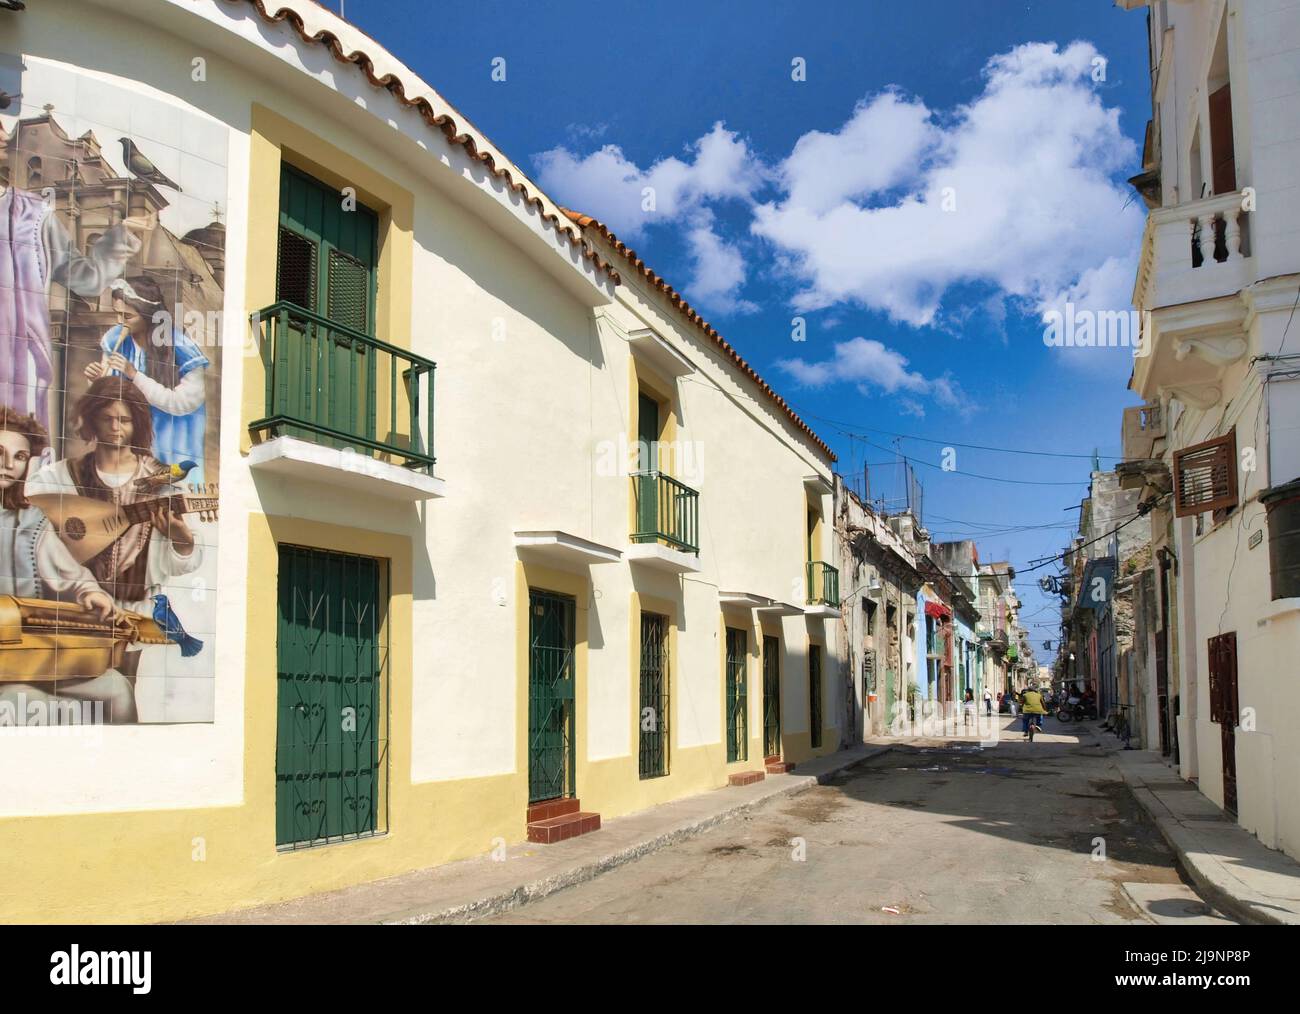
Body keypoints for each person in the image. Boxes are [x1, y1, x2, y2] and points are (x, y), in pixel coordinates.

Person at [24, 377, 203, 721]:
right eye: (107, 418)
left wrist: (182, 540)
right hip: (77, 610)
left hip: (133, 610)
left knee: (124, 695)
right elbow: (30, 516)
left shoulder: (159, 480)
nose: (116, 427)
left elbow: (178, 562)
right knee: (80, 693)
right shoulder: (63, 475)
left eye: (124, 419)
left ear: (137, 423)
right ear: (93, 419)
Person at [0, 182, 149, 430]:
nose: (6, 139)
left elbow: (86, 278)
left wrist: (124, 234)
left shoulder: (32, 215)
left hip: (13, 363)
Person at [86, 275, 210, 484]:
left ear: (148, 315)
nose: (119, 322)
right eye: (117, 314)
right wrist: (98, 382)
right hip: (132, 440)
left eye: (127, 316)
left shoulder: (181, 347)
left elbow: (181, 404)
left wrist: (134, 374)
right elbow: (110, 394)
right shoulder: (115, 339)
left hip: (172, 438)